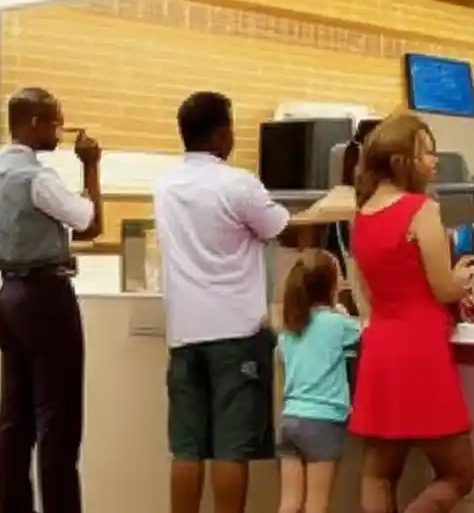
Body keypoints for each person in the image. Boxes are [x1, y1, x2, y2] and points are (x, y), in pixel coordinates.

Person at [154, 91, 291, 513]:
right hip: (236, 334)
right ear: (220, 133)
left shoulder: (166, 185)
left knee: (187, 448)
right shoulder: (237, 183)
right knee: (232, 447)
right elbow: (281, 228)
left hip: (184, 333)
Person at [348, 112, 474, 513]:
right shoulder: (421, 209)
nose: (435, 161)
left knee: (378, 473)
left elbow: (365, 293)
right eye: (428, 153)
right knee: (459, 474)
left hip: (381, 350)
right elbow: (442, 288)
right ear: (404, 160)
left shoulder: (362, 214)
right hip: (422, 349)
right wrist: (463, 277)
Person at [0, 88, 102, 513]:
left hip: (8, 296)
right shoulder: (38, 178)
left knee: (14, 420)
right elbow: (89, 223)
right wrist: (90, 165)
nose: (60, 127)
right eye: (55, 120)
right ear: (33, 122)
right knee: (58, 420)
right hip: (46, 298)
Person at [277, 248, 362, 513]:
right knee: (317, 505)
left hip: (290, 419)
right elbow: (365, 331)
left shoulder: (288, 330)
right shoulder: (337, 325)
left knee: (289, 503)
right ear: (331, 285)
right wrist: (344, 309)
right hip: (323, 422)